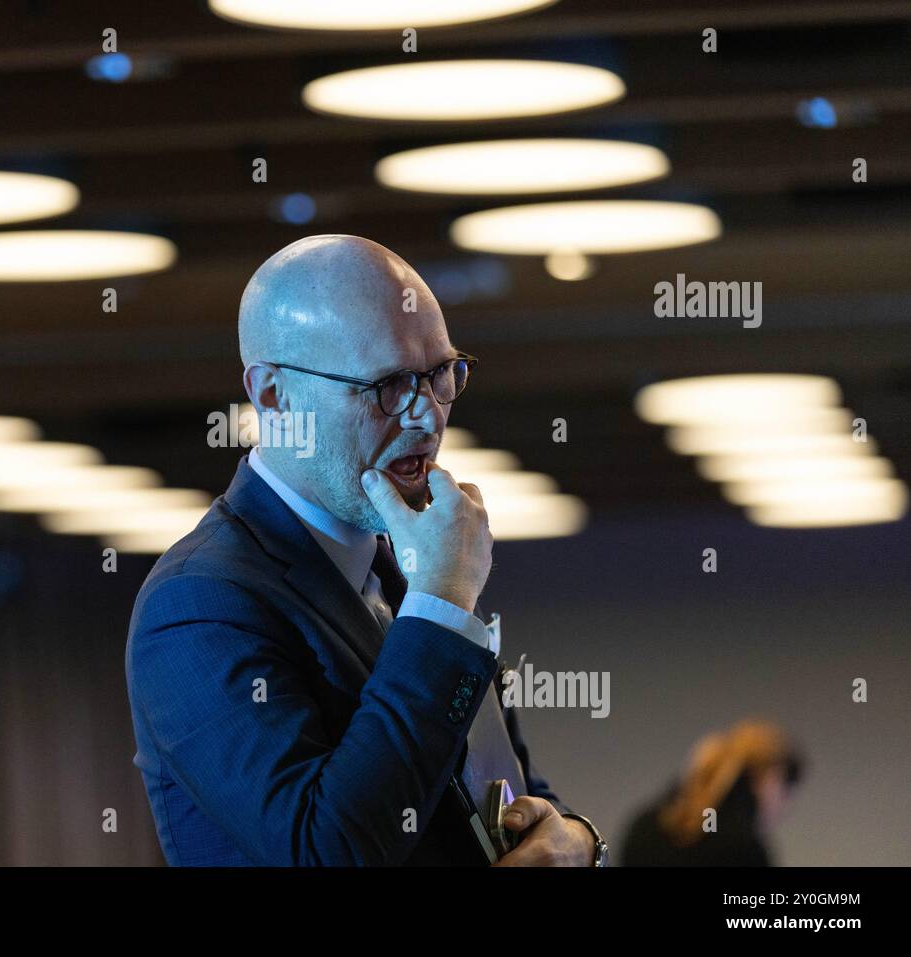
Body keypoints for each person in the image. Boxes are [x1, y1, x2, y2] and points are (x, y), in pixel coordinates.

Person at [124, 235, 603, 866]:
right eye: (389, 384)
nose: (428, 416)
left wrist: (575, 839)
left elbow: (501, 793)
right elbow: (327, 851)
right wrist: (441, 603)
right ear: (273, 395)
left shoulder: (406, 568)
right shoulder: (199, 601)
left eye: (441, 375)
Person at [620, 719, 804, 866]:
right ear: (770, 779)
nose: (783, 811)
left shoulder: (644, 827)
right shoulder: (742, 849)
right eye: (785, 795)